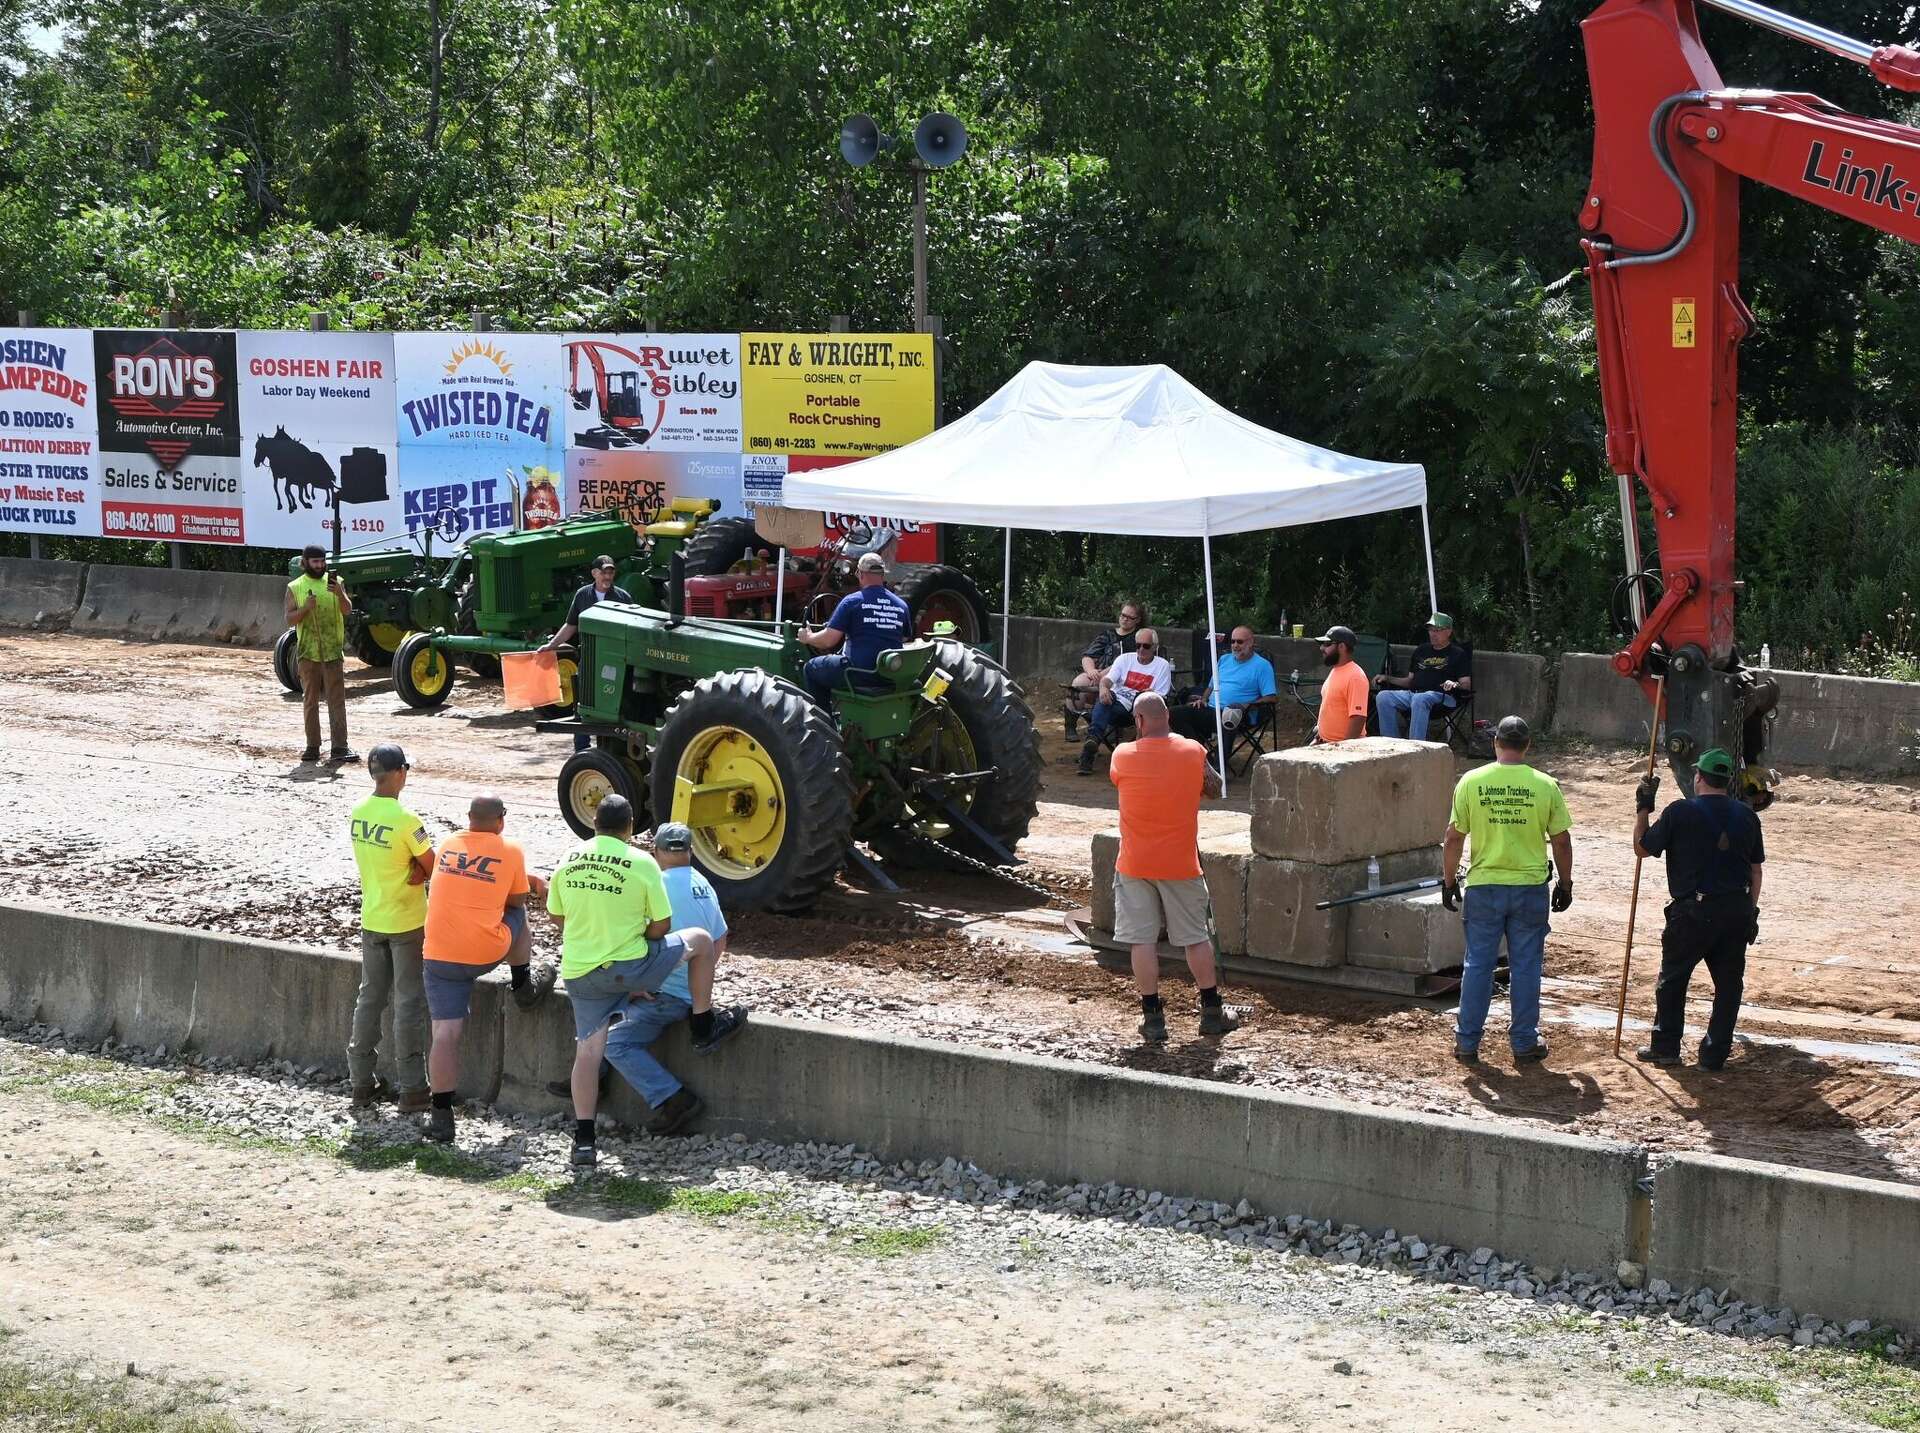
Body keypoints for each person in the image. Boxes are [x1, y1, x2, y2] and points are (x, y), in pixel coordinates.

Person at [546, 794, 747, 1167]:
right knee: (699, 940)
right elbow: (663, 926)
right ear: (630, 827)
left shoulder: (568, 858)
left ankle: (585, 1142)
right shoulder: (647, 866)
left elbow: (557, 917)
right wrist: (645, 962)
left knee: (588, 1053)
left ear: (594, 823)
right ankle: (703, 1024)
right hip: (634, 968)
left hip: (581, 971)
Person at [418, 793, 556, 1143]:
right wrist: (526, 880)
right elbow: (515, 898)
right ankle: (523, 984)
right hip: (484, 952)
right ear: (501, 820)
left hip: (438, 955)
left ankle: (441, 1117)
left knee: (445, 1035)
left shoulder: (448, 843)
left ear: (469, 817)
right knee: (518, 914)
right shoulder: (510, 849)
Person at [1441, 715, 1574, 1066]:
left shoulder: (1472, 781)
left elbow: (1453, 837)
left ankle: (1467, 1042)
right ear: (1527, 746)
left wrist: (1449, 880)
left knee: (1478, 965)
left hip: (1484, 888)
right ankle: (1524, 1042)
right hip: (1529, 889)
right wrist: (1565, 883)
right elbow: (1561, 841)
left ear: (1496, 743)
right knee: (1526, 966)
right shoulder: (1545, 785)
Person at [1109, 693, 1240, 1044]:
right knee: (1195, 937)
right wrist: (1187, 750)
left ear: (1138, 721)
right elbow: (1214, 787)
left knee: (1141, 941)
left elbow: (1123, 779)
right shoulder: (1192, 751)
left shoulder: (1122, 755)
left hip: (1135, 863)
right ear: (1168, 716)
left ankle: (1153, 1017)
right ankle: (1210, 1011)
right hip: (1181, 863)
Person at [593, 822, 732, 1136]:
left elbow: (631, 940)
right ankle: (594, 1076)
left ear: (655, 851)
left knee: (615, 1041)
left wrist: (637, 985)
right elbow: (719, 940)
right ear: (691, 851)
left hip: (662, 995)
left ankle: (674, 1098)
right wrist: (696, 979)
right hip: (693, 994)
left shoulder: (653, 884)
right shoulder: (703, 883)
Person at [1633, 748, 1765, 1071]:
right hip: (1735, 910)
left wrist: (1643, 807)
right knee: (1729, 986)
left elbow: (1642, 848)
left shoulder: (1679, 812)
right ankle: (1714, 1055)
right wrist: (1751, 911)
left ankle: (1666, 1047)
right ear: (1727, 781)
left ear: (1699, 778)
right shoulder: (1747, 816)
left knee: (1673, 980)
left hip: (1693, 912)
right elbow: (1756, 870)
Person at [346, 743, 433, 1112]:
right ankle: (413, 1089)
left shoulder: (358, 813)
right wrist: (416, 870)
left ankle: (361, 1082)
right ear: (400, 773)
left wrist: (414, 868)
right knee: (408, 1002)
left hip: (372, 919)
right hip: (407, 923)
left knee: (369, 999)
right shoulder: (407, 820)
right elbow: (432, 865)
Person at [797, 551, 911, 706]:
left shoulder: (852, 602)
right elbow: (903, 637)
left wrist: (807, 637)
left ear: (860, 574)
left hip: (859, 674)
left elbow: (828, 641)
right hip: (891, 674)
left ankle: (824, 719)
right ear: (883, 574)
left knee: (811, 668)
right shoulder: (901, 605)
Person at [547, 555, 634, 752]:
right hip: (588, 658)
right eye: (604, 572)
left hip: (614, 661)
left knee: (613, 703)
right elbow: (571, 625)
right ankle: (581, 749)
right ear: (594, 573)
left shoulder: (623, 597)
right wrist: (552, 645)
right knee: (583, 703)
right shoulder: (582, 595)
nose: (608, 576)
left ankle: (612, 749)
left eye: (611, 572)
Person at [285, 543, 357, 766]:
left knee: (337, 701)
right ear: (305, 563)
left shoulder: (336, 582)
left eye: (322, 561)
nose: (320, 565)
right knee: (310, 701)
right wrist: (306, 608)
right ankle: (312, 747)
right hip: (308, 653)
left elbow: (347, 610)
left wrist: (340, 594)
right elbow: (289, 620)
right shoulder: (295, 587)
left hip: (333, 651)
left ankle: (340, 747)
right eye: (315, 562)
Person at [1077, 627, 1173, 775]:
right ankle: (1092, 743)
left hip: (1138, 708)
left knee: (1105, 708)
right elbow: (1107, 680)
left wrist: (1150, 694)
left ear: (1155, 647)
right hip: (1115, 701)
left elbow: (1161, 696)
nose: (1141, 649)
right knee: (1105, 700)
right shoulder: (1124, 659)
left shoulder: (1162, 665)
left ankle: (1089, 750)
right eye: (1138, 645)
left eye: (1146, 646)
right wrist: (1103, 688)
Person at [1374, 612, 1472, 742]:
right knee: (1383, 697)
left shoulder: (1458, 654)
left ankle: (1416, 746)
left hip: (1443, 697)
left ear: (1448, 632)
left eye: (1437, 630)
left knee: (1420, 698)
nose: (1433, 634)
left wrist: (1454, 684)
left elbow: (1466, 685)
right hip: (1414, 694)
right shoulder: (1421, 650)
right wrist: (1388, 678)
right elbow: (1409, 681)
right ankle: (1390, 743)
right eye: (1431, 630)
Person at [1169, 625, 1276, 742]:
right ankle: (1197, 749)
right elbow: (1211, 686)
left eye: (1240, 642)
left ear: (1250, 642)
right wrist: (1203, 700)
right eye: (1233, 641)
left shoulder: (1262, 665)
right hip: (1211, 710)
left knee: (1229, 717)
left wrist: (1247, 705)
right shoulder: (1224, 659)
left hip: (1239, 715)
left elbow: (1271, 697)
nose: (1235, 645)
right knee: (1173, 713)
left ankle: (1220, 755)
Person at [1066, 599, 1147, 739]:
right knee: (1077, 684)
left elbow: (1125, 664)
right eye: (1123, 615)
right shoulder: (1107, 635)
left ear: (1138, 620)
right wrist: (1091, 671)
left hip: (1124, 680)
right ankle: (1070, 726)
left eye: (1130, 617)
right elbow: (1088, 656)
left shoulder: (1139, 639)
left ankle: (1106, 726)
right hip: (1099, 675)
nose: (1125, 619)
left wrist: (1102, 675)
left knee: (1109, 685)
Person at [1313, 626, 1371, 744]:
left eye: (1327, 644)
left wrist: (1344, 749)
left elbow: (1358, 718)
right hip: (1326, 744)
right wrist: (1318, 738)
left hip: (1341, 748)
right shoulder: (1336, 670)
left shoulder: (1355, 676)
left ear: (1342, 647)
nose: (1321, 648)